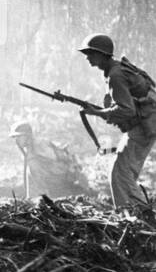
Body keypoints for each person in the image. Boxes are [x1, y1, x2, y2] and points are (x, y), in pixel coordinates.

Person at [77, 33, 156, 210]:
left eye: (90, 53)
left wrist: (97, 112)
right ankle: (132, 215)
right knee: (122, 173)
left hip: (142, 129)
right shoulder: (116, 70)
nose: (88, 58)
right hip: (142, 126)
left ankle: (140, 217)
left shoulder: (115, 75)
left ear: (101, 54)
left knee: (121, 175)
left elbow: (127, 109)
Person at [10, 120, 91, 200]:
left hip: (63, 175)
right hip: (54, 176)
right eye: (15, 137)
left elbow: (57, 161)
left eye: (19, 137)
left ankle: (41, 198)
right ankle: (37, 197)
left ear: (27, 136)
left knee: (33, 165)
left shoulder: (40, 145)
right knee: (32, 165)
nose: (16, 140)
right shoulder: (28, 149)